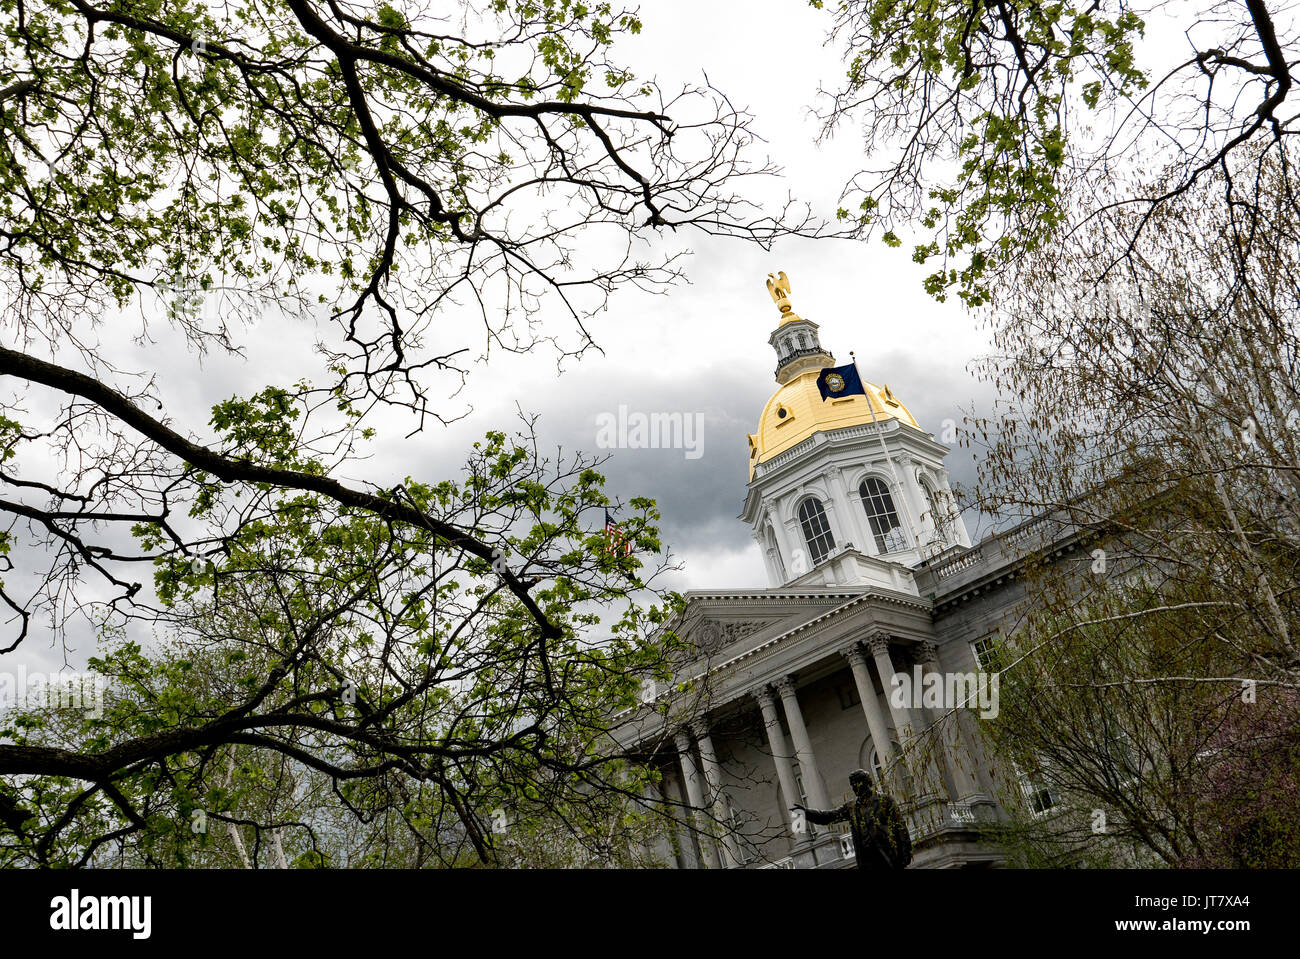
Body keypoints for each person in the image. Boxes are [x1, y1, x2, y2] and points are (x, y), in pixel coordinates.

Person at [792, 768, 912, 869]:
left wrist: (905, 853)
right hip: (866, 861)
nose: (854, 787)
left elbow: (900, 828)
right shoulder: (852, 807)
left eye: (857, 783)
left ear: (867, 782)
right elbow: (828, 817)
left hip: (888, 856)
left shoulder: (885, 801)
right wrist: (805, 813)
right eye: (852, 784)